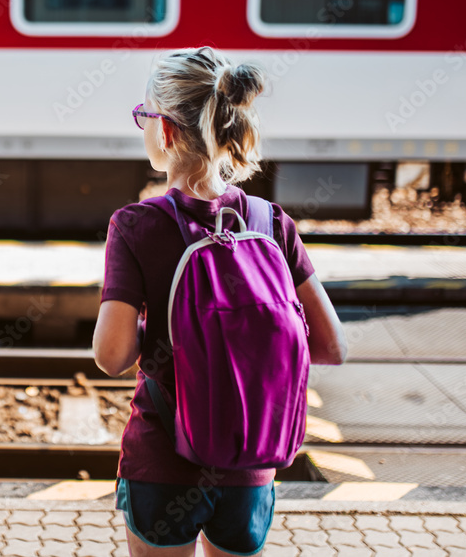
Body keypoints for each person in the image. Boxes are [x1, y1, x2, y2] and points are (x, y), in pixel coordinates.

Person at [93, 47, 347, 557]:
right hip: (251, 468)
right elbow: (331, 346)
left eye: (144, 115)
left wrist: (173, 334)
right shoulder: (271, 222)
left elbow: (112, 355)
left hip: (163, 460)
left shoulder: (136, 225)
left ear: (164, 131)